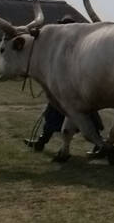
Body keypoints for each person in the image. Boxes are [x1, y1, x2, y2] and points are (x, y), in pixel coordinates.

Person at [23, 15, 106, 155]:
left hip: (74, 90)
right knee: (52, 114)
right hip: (63, 89)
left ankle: (99, 144)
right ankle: (42, 141)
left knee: (83, 115)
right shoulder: (59, 44)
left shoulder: (75, 45)